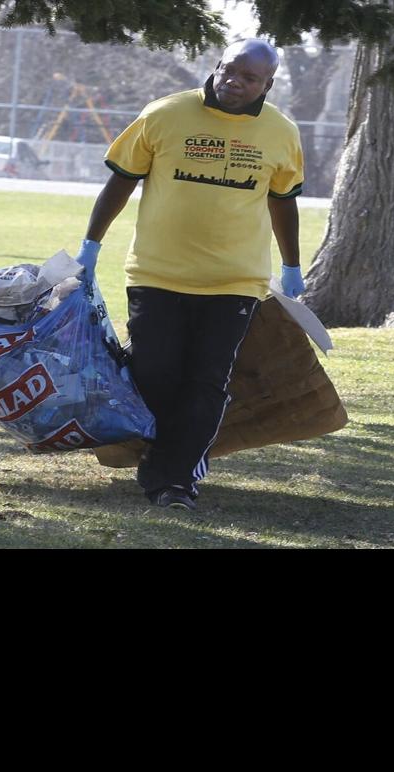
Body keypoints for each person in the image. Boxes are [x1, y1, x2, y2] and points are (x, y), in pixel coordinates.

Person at [76, 38, 306, 511]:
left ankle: (174, 480)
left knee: (207, 381)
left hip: (235, 281)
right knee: (154, 373)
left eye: (249, 78)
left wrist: (291, 266)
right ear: (217, 66)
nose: (234, 82)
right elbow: (121, 180)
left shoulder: (281, 132)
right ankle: (164, 453)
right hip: (157, 274)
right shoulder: (164, 114)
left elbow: (284, 203)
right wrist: (91, 244)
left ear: (268, 84)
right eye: (229, 70)